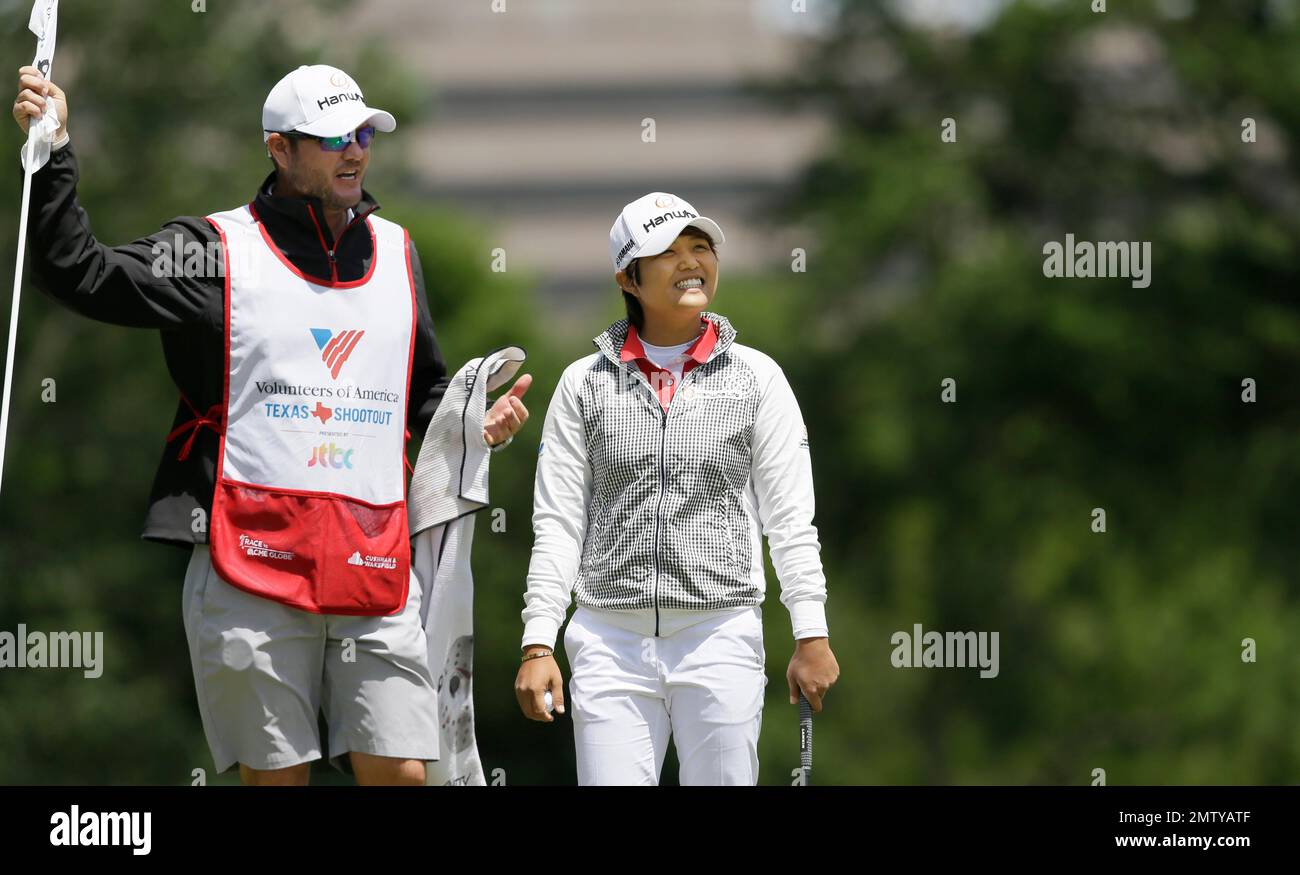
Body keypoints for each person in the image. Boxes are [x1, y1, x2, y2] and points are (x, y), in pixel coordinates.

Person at [12, 63, 530, 785]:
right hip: (248, 560)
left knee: (405, 774)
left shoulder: (397, 251)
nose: (355, 152)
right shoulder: (211, 249)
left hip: (373, 561)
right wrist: (53, 149)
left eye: (363, 135)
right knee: (278, 780)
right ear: (279, 149)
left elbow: (421, 391)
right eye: (333, 139)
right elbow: (78, 270)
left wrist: (473, 420)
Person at [514, 192, 838, 785]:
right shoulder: (583, 383)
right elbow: (558, 523)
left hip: (721, 634)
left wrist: (810, 632)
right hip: (608, 638)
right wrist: (539, 642)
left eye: (701, 247)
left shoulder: (757, 377)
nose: (691, 262)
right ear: (628, 278)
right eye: (667, 252)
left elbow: (790, 519)